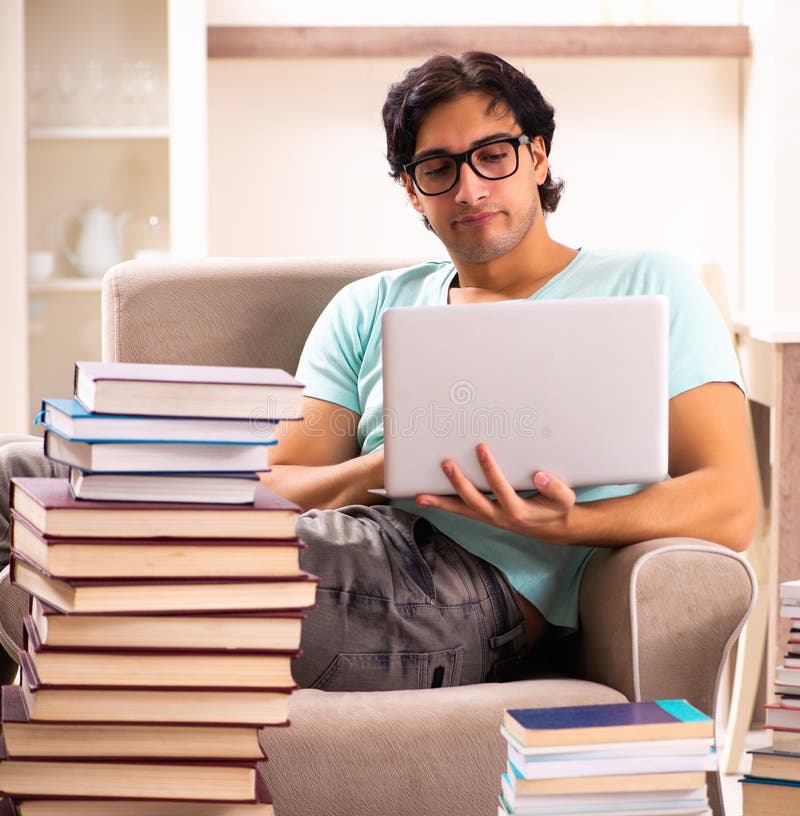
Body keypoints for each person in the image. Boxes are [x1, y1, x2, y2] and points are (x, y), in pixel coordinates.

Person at [0, 52, 758, 691]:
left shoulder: (649, 284)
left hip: (471, 593)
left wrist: (569, 525)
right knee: (19, 468)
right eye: (438, 167)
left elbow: (729, 505)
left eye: (493, 154)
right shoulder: (369, 308)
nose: (470, 187)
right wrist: (379, 469)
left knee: (111, 556)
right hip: (352, 534)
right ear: (411, 190)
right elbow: (276, 487)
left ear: (538, 155)